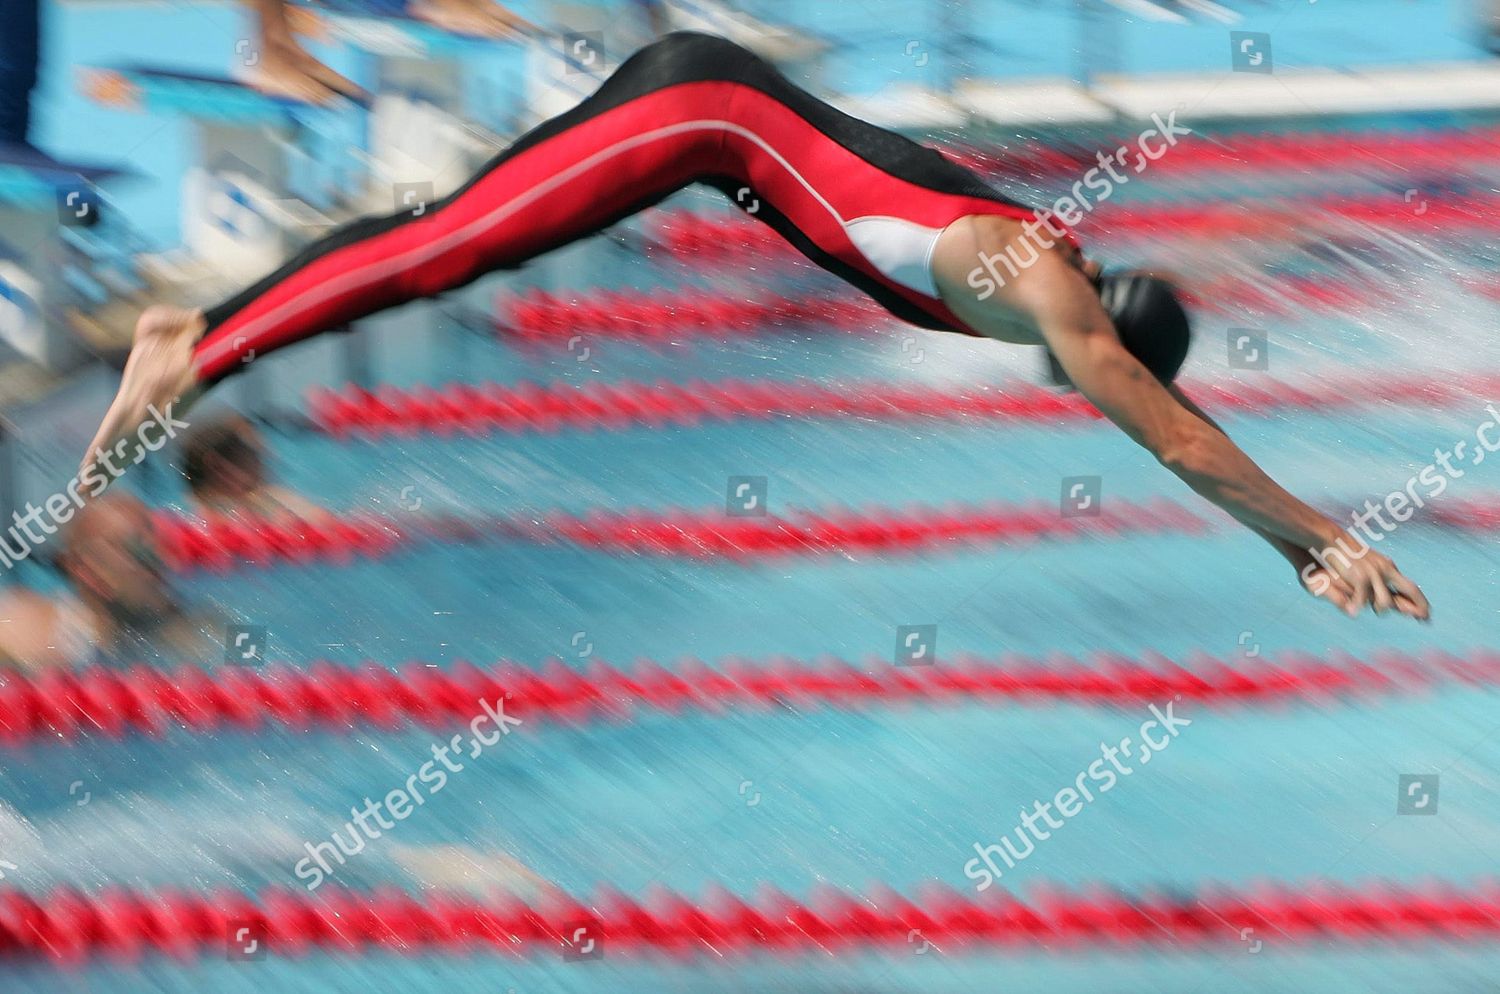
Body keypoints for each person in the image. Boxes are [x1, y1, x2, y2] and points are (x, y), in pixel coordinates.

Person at [83, 32, 1429, 622]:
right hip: (694, 118)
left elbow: (1190, 296)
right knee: (456, 245)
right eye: (1103, 377)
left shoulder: (1054, 268)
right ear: (1107, 344)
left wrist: (1297, 235)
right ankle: (195, 344)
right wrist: (1317, 540)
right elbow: (1179, 442)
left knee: (460, 235)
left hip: (707, 116)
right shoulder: (1038, 284)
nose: (1094, 391)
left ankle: (205, 335)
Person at [0, 493, 194, 670]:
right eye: (133, 547)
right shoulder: (29, 630)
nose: (155, 559)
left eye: (157, 544)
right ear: (84, 570)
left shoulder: (183, 628)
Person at [180, 414, 322, 518]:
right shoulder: (263, 502)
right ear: (219, 466)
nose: (264, 461)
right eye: (254, 453)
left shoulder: (184, 510)